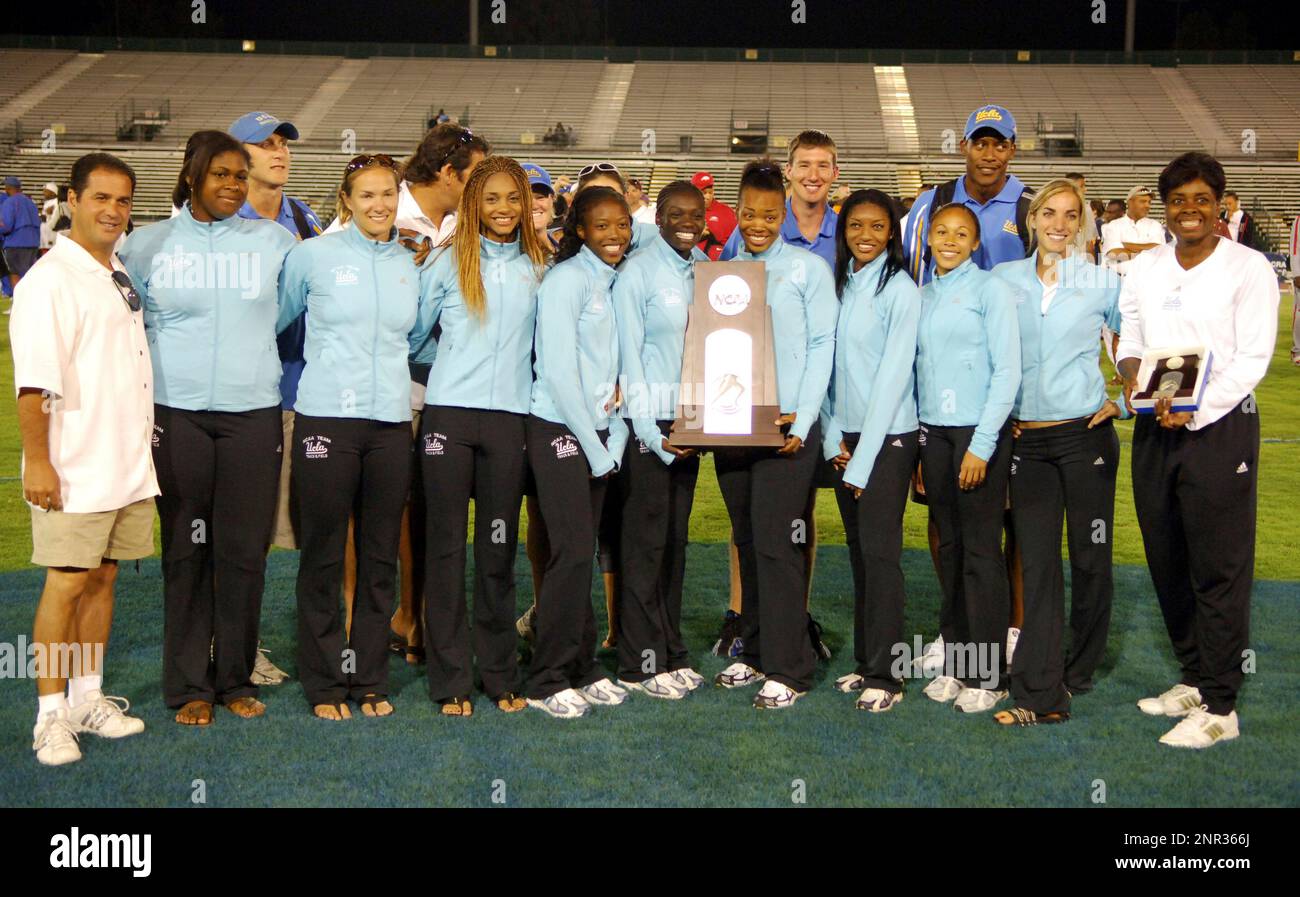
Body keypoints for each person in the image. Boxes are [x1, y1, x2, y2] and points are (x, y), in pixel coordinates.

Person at [118, 131, 296, 726]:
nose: (232, 186)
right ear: (192, 176)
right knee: (188, 550)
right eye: (220, 174)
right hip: (178, 414)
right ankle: (189, 685)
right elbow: (131, 328)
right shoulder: (145, 245)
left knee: (245, 552)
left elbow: (286, 313)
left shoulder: (276, 242)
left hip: (253, 414)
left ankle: (236, 677)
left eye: (239, 176)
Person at [1118, 152, 1279, 748]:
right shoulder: (1149, 267)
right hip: (1155, 425)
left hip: (1218, 429)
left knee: (1218, 566)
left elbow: (1253, 358)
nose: (1190, 210)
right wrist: (1133, 377)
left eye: (1201, 200)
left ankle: (1222, 705)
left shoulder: (1249, 267)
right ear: (1166, 208)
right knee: (1167, 555)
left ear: (1220, 204)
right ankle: (1194, 675)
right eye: (1178, 200)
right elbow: (1131, 333)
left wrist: (1195, 410)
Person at [329, 123, 489, 664]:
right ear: (448, 173)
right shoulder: (378, 209)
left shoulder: (463, 223)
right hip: (373, 388)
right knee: (369, 508)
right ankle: (356, 618)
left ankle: (411, 615)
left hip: (439, 385)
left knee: (423, 508)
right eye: (476, 174)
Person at [12, 153, 153, 766]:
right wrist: (39, 463)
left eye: (122, 200)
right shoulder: (51, 279)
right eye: (100, 198)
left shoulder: (115, 267)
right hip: (74, 461)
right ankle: (50, 715)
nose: (112, 211)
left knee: (103, 577)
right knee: (66, 582)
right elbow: (33, 386)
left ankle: (88, 698)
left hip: (122, 460)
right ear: (72, 199)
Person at [278, 154, 420, 721]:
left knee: (381, 557)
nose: (379, 205)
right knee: (323, 555)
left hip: (389, 424)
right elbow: (277, 324)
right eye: (366, 195)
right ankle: (323, 682)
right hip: (325, 423)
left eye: (387, 193)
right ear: (347, 200)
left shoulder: (410, 261)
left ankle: (368, 678)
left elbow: (420, 338)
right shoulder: (311, 256)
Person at [901, 104, 1033, 675]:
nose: (987, 152)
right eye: (978, 142)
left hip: (993, 411)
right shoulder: (929, 211)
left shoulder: (1025, 210)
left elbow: (1009, 361)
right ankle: (959, 643)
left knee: (1000, 532)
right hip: (939, 424)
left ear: (1010, 148)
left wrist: (987, 435)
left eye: (997, 143)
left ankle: (1004, 639)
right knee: (951, 535)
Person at [414, 155, 547, 717]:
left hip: (508, 422)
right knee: (444, 551)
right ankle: (450, 680)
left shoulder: (541, 266)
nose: (503, 210)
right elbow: (416, 338)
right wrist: (453, 368)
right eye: (491, 199)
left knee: (496, 550)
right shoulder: (445, 263)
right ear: (473, 203)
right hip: (448, 419)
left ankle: (499, 673)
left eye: (513, 199)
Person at [991, 178, 1126, 727]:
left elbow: (1137, 345)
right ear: (1033, 219)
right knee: (1039, 564)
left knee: (1090, 560)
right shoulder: (1002, 281)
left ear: (1082, 225)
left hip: (1084, 437)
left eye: (1071, 215)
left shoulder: (1102, 284)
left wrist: (1124, 400)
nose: (1059, 224)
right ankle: (1040, 682)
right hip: (1028, 442)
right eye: (1049, 212)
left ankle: (1080, 668)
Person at [712, 159, 837, 710]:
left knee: (779, 543)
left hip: (788, 429)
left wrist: (805, 420)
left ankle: (792, 666)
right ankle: (757, 650)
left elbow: (820, 349)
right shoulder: (724, 270)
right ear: (737, 212)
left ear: (783, 211)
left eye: (768, 213)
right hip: (733, 425)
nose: (758, 223)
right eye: (748, 213)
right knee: (748, 539)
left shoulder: (808, 269)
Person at [524, 186, 633, 717]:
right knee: (568, 554)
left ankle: (582, 666)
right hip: (558, 431)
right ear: (580, 231)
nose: (615, 235)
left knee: (581, 553)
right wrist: (595, 447)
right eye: (602, 226)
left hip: (595, 436)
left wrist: (610, 429)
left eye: (622, 225)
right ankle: (545, 677)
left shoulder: (607, 278)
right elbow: (559, 373)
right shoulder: (566, 281)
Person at [915, 203, 1021, 713]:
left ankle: (990, 674)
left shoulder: (991, 290)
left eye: (962, 233)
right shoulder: (923, 294)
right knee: (951, 550)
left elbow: (1008, 371)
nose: (950, 240)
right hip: (933, 434)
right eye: (942, 231)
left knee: (982, 552)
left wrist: (981, 444)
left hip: (978, 434)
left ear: (976, 243)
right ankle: (958, 663)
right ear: (929, 238)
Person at [228, 110, 321, 687]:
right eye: (264, 144)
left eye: (283, 142)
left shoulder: (303, 216)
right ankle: (236, 647)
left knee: (303, 529)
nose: (278, 151)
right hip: (244, 396)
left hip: (303, 391)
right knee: (246, 534)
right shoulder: (220, 222)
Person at [819, 189, 920, 713]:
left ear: (892, 234)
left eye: (877, 227)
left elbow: (891, 379)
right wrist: (832, 434)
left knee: (882, 557)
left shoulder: (901, 289)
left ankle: (890, 675)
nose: (865, 235)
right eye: (856, 225)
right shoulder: (838, 285)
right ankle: (867, 663)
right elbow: (825, 368)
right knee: (861, 556)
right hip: (844, 440)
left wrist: (861, 459)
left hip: (890, 440)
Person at [613, 180, 710, 700]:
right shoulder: (638, 273)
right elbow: (628, 358)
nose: (685, 221)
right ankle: (639, 662)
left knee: (674, 543)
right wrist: (650, 432)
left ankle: (670, 651)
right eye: (674, 213)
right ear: (660, 214)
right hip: (646, 427)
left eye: (694, 213)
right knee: (644, 546)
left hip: (687, 424)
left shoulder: (703, 273)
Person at [903, 106, 1033, 286]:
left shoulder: (1034, 207)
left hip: (1009, 314)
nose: (989, 156)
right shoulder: (930, 203)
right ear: (964, 146)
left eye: (1001, 146)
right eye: (980, 144)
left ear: (1012, 150)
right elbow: (912, 283)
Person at [720, 130, 840, 269]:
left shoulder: (845, 231)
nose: (813, 176)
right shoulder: (755, 227)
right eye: (804, 165)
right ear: (788, 171)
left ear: (835, 172)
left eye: (822, 166)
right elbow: (722, 278)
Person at [1101, 186, 1166, 274]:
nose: (1147, 205)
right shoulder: (1114, 225)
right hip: (1119, 281)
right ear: (1130, 202)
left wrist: (1126, 246)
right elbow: (1114, 254)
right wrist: (1147, 251)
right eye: (1143, 201)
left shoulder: (1155, 225)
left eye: (1149, 202)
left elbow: (1160, 252)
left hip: (1147, 281)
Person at [1, 176, 42, 291]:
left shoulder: (10, 202)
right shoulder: (31, 203)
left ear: (9, 188)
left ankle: (18, 304)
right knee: (29, 274)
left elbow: (6, 225)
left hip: (16, 243)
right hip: (33, 243)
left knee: (15, 274)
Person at [692, 171, 736, 261]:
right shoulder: (685, 211)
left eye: (710, 192)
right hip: (690, 265)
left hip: (719, 266)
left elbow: (737, 243)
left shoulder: (727, 212)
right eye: (703, 192)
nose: (708, 196)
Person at [522, 162, 561, 253]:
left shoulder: (566, 248)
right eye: (525, 198)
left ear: (552, 199)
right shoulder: (506, 258)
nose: (533, 205)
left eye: (540, 197)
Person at [39, 182, 59, 251]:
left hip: (51, 235)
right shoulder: (47, 202)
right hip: (45, 235)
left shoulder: (56, 202)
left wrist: (43, 217)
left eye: (46, 191)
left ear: (53, 193)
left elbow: (54, 218)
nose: (44, 193)